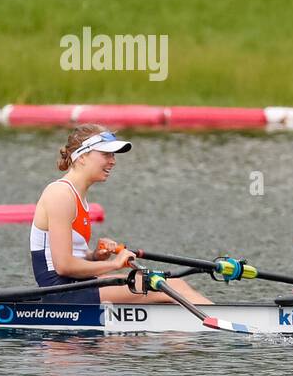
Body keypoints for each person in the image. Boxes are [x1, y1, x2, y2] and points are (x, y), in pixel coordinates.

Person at [30, 124, 211, 305]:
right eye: (106, 154)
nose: (113, 161)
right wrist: (114, 264)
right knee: (173, 287)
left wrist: (95, 256)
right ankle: (226, 324)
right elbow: (63, 266)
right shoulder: (61, 194)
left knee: (169, 290)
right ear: (82, 156)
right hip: (60, 292)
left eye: (113, 155)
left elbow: (72, 259)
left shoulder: (77, 195)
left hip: (76, 285)